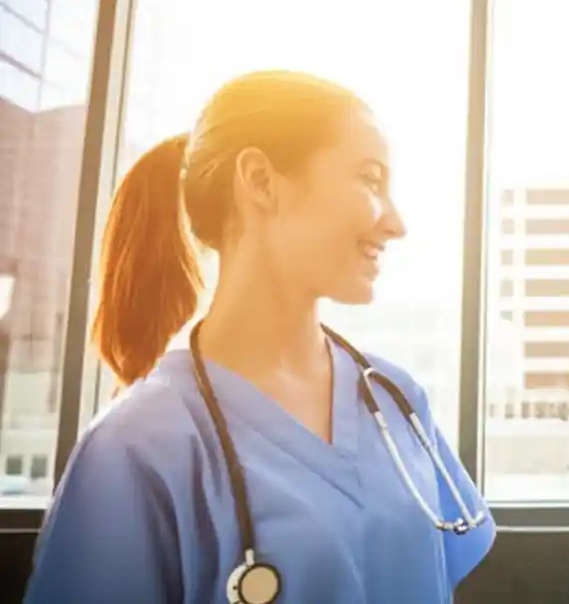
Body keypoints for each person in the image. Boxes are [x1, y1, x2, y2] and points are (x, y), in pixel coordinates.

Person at [24, 71, 494, 604]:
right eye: (370, 179)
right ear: (261, 181)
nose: (397, 223)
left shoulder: (395, 395)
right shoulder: (138, 446)